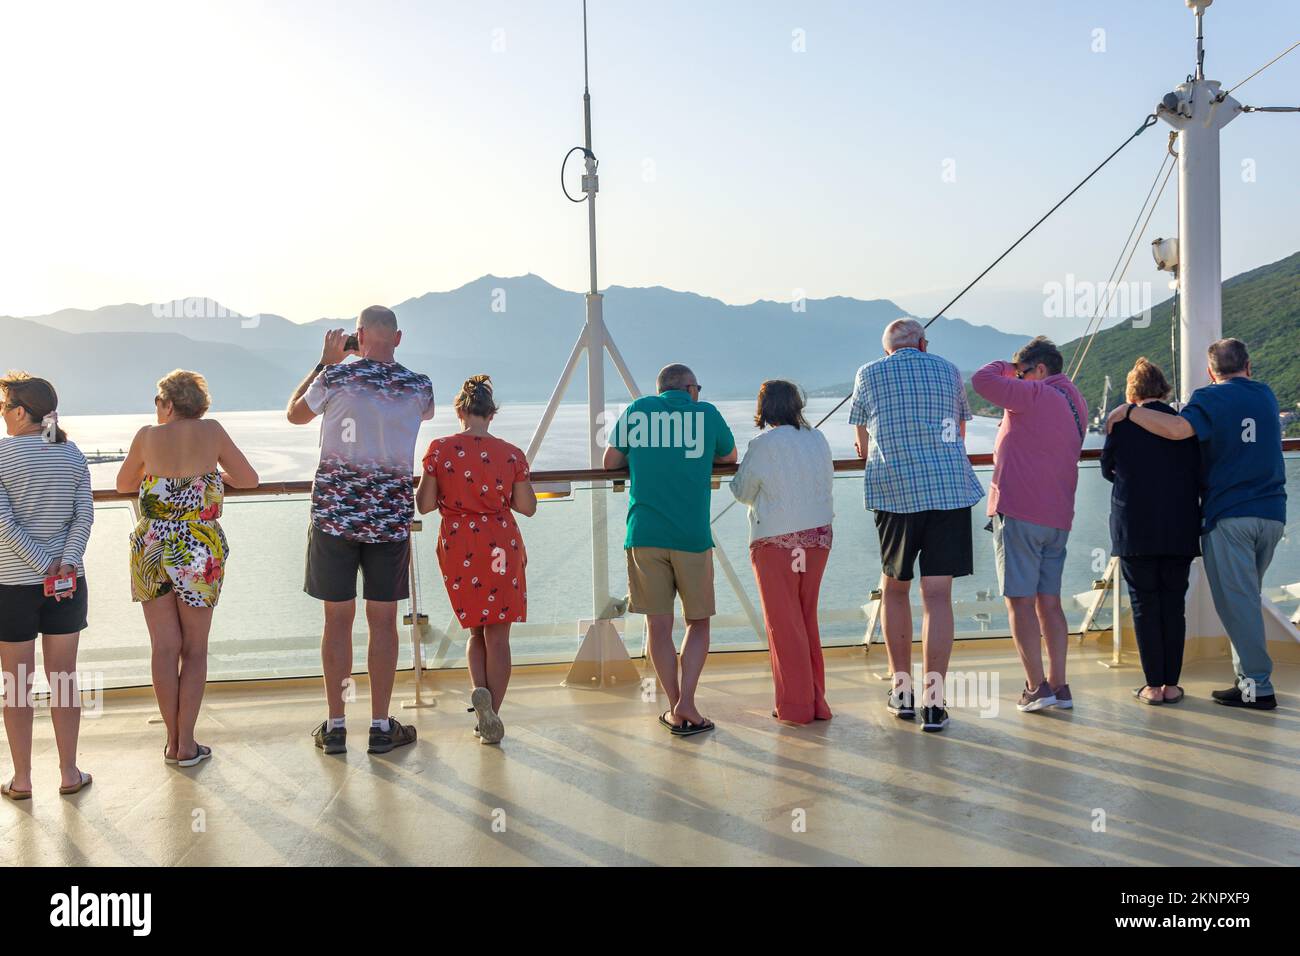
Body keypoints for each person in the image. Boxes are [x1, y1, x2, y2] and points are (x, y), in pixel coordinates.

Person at [1106, 338, 1286, 710]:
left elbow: (1176, 431)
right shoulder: (1266, 395)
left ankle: (1257, 687)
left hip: (1231, 514)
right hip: (1273, 513)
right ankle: (1246, 680)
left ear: (1209, 372)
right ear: (1248, 366)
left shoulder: (1208, 399)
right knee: (1245, 600)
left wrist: (1128, 412)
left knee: (1238, 603)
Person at [287, 305, 436, 754]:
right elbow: (422, 416)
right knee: (384, 623)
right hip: (389, 518)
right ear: (399, 337)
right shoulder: (420, 386)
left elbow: (295, 415)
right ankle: (379, 726)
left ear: (357, 335)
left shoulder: (334, 378)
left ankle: (335, 726)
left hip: (335, 514)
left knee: (336, 621)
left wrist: (325, 362)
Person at [116, 370, 258, 766]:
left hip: (151, 546)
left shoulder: (147, 436)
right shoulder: (211, 431)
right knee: (194, 649)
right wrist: (209, 478)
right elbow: (249, 479)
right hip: (197, 546)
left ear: (167, 404)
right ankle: (187, 744)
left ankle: (171, 740)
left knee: (164, 647)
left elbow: (124, 482)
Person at [849, 319, 985, 732]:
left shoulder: (869, 373)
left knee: (895, 591)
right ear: (923, 344)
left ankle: (902, 692)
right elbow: (959, 432)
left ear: (886, 348)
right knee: (938, 596)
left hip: (896, 496)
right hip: (948, 492)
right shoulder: (947, 370)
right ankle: (935, 703)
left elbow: (862, 439)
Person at [603, 363, 736, 736]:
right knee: (698, 622)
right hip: (692, 536)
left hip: (644, 533)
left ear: (661, 389)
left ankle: (676, 707)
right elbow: (728, 456)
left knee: (657, 626)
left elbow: (610, 463)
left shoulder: (638, 411)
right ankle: (687, 703)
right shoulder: (706, 414)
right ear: (691, 389)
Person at [416, 375, 535, 744]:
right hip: (500, 542)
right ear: (491, 414)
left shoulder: (439, 450)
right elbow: (527, 507)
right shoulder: (511, 454)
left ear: (460, 411)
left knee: (475, 630)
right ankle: (492, 715)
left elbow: (424, 504)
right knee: (499, 634)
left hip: (459, 542)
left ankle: (480, 699)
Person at [973, 336, 1087, 713]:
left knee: (1019, 602)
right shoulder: (1075, 400)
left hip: (1021, 512)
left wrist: (1007, 369)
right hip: (1058, 516)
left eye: (1023, 372)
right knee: (1049, 603)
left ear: (1039, 370)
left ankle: (1036, 688)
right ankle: (1060, 685)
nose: (1017, 379)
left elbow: (981, 380)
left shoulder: (1035, 394)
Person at [0, 373, 94, 799]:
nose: (2, 415)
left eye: (3, 408)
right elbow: (84, 515)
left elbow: (4, 525)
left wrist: (42, 566)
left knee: (16, 683)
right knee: (65, 680)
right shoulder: (71, 453)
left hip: (12, 586)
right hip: (68, 584)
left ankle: (22, 780)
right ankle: (69, 773)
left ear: (21, 412)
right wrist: (64, 564)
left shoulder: (1, 456)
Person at [730, 380, 834, 725]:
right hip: (818, 537)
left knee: (783, 623)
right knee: (805, 618)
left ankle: (795, 707)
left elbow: (743, 491)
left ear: (764, 408)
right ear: (796, 404)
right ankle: (817, 702)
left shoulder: (763, 444)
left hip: (776, 539)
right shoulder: (817, 438)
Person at [1100, 359, 1200, 705]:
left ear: (1132, 392)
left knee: (1144, 605)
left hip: (1135, 528)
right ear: (1164, 390)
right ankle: (1172, 684)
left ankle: (1152, 686)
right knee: (1173, 605)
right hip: (1180, 526)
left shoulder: (1120, 425)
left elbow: (1107, 469)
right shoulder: (1184, 425)